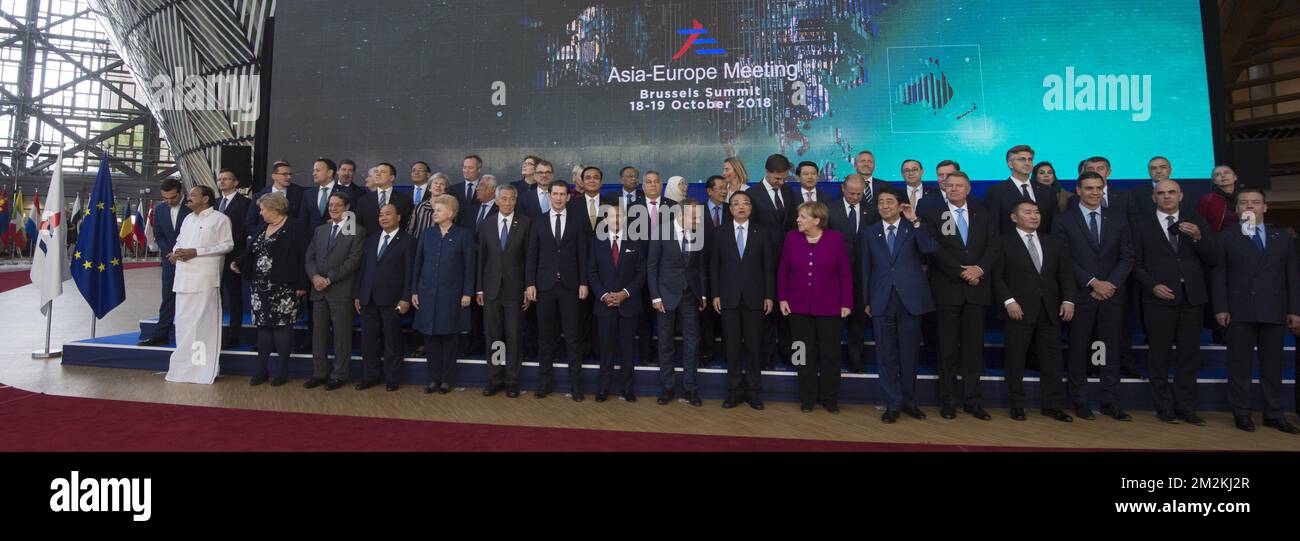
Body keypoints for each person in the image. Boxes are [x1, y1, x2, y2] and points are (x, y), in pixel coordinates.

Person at [1212, 188, 1300, 433]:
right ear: (1237, 209)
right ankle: (1241, 412)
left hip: (1274, 310)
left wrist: (1295, 310)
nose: (1249, 206)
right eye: (1243, 203)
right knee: (1239, 366)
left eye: (1255, 202)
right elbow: (1218, 276)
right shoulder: (1225, 238)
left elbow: (1292, 277)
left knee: (1272, 367)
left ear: (1265, 207)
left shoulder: (1282, 238)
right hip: (1238, 310)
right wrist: (1220, 308)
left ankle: (1274, 413)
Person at [1132, 180, 1218, 425]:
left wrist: (1200, 237)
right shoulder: (1140, 225)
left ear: (1181, 195)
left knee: (1189, 356)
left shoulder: (1197, 222)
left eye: (1171, 192)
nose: (1166, 197)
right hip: (1158, 299)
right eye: (1161, 193)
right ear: (1153, 198)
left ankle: (1187, 407)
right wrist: (1153, 286)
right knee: (1158, 356)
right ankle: (1164, 407)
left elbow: (1214, 258)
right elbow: (1135, 264)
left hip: (1192, 298)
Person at [1052, 171, 1134, 422]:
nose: (1094, 192)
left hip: (1111, 294)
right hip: (1081, 294)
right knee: (1079, 350)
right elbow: (1063, 258)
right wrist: (1093, 282)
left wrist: (1110, 284)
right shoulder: (1063, 220)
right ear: (1078, 190)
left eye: (1099, 187)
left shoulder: (1118, 218)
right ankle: (1081, 400)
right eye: (1089, 188)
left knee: (1109, 348)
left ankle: (1110, 401)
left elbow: (1127, 256)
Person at [923, 171, 1000, 420]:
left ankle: (972, 401)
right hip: (947, 289)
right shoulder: (934, 214)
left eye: (959, 185)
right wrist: (959, 272)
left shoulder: (983, 214)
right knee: (947, 349)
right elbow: (933, 248)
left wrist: (980, 269)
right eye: (950, 185)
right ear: (944, 188)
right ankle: (948, 400)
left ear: (968, 189)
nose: (954, 189)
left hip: (977, 289)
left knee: (973, 350)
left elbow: (994, 246)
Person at [992, 200, 1075, 422]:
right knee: (1015, 360)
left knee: (1052, 361)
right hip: (1018, 310)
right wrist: (1009, 301)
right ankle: (1017, 405)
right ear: (1014, 217)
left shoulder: (1053, 242)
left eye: (1036, 212)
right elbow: (996, 276)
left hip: (1050, 310)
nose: (1034, 216)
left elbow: (1065, 274)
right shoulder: (1002, 242)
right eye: (1027, 212)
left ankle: (1053, 405)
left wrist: (1068, 300)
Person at [861, 190, 937, 422]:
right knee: (886, 355)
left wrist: (914, 220)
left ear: (900, 205)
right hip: (882, 300)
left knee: (909, 355)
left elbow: (930, 249)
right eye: (881, 202)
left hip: (911, 301)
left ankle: (909, 401)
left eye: (889, 202)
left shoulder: (913, 228)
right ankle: (892, 403)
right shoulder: (869, 233)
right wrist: (867, 300)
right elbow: (865, 269)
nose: (884, 206)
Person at [779, 201, 852, 413]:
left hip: (830, 307)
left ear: (817, 220)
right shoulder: (791, 238)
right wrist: (783, 298)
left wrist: (846, 302)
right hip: (798, 307)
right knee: (801, 354)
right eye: (798, 216)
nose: (798, 220)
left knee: (830, 354)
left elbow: (845, 273)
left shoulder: (835, 238)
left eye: (802, 216)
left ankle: (830, 399)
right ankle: (807, 398)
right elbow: (783, 270)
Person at [234, 193, 307, 386]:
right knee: (263, 329)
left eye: (263, 209)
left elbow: (303, 256)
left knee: (282, 329)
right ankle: (261, 370)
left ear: (275, 209)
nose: (260, 212)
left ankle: (281, 372)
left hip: (285, 287)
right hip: (260, 287)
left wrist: (302, 284)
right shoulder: (263, 226)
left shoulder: (295, 226)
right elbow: (254, 250)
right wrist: (239, 262)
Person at [710, 190, 774, 409]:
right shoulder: (720, 232)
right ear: (730, 209)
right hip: (727, 298)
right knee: (733, 348)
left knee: (754, 347)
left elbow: (768, 267)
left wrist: (769, 295)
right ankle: (734, 391)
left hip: (755, 297)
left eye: (745, 203)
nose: (741, 207)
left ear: (751, 208)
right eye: (736, 203)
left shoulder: (762, 232)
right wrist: (715, 294)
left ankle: (754, 392)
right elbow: (714, 267)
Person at [526, 182, 590, 400]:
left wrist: (583, 282)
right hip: (544, 287)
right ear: (550, 196)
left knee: (572, 337)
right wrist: (530, 283)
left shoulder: (578, 221)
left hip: (571, 287)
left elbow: (583, 254)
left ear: (568, 197)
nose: (559, 198)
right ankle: (544, 384)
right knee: (545, 337)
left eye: (563, 194)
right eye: (555, 194)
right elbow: (531, 256)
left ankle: (576, 386)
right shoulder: (538, 221)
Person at [165, 185, 234, 384]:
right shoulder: (188, 219)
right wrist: (176, 251)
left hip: (205, 280)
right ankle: (185, 369)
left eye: (193, 195)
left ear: (205, 199)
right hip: (183, 279)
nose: (188, 197)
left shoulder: (220, 219)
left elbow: (227, 245)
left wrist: (197, 252)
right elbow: (179, 240)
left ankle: (202, 369)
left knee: (203, 325)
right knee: (184, 325)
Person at [411, 194, 476, 394]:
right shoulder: (427, 234)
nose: (435, 214)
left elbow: (469, 267)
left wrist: (467, 293)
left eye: (438, 210)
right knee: (430, 338)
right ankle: (433, 379)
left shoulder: (464, 235)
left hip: (452, 294)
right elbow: (417, 264)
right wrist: (414, 290)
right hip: (427, 293)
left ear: (451, 213)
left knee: (449, 338)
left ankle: (447, 379)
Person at [648, 198, 708, 406]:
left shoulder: (698, 232)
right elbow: (652, 266)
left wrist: (703, 295)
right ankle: (668, 387)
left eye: (698, 216)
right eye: (694, 216)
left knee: (692, 342)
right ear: (679, 214)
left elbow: (700, 267)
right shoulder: (660, 231)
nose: (697, 219)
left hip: (691, 295)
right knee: (665, 343)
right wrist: (655, 296)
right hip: (665, 296)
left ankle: (690, 388)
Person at [302, 192, 365, 391]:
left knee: (341, 336)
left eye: (338, 205)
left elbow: (353, 262)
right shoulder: (320, 230)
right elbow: (309, 258)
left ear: (347, 208)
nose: (334, 208)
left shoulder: (356, 231)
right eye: (331, 205)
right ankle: (319, 373)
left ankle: (339, 375)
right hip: (318, 290)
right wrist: (315, 278)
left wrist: (329, 278)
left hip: (341, 291)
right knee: (318, 335)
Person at [478, 185, 532, 397]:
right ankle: (495, 378)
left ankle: (512, 380)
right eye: (504, 199)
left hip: (516, 290)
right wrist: (479, 288)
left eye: (511, 199)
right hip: (491, 290)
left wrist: (528, 288)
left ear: (515, 201)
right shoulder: (487, 223)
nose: (508, 202)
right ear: (497, 200)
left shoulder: (526, 223)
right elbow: (481, 257)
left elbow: (530, 258)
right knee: (494, 338)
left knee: (514, 336)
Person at [354, 204, 414, 391]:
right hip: (368, 298)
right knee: (369, 341)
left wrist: (405, 298)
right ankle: (370, 376)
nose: (384, 217)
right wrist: (358, 295)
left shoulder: (408, 240)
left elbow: (410, 272)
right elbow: (363, 270)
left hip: (393, 300)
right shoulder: (371, 239)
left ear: (398, 217)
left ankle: (392, 378)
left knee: (392, 341)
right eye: (381, 214)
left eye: (388, 214)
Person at [588, 204, 645, 402]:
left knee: (628, 350)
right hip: (604, 305)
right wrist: (604, 295)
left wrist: (624, 293)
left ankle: (627, 389)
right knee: (606, 349)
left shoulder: (636, 240)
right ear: (605, 219)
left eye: (620, 215)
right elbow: (592, 272)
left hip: (628, 304)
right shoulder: (597, 241)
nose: (617, 218)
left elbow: (641, 273)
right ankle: (603, 388)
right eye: (612, 216)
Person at [750, 154, 795, 368]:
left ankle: (790, 357)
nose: (781, 182)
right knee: (765, 315)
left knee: (788, 315)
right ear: (767, 172)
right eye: (777, 178)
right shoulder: (752, 194)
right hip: (762, 265)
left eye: (784, 178)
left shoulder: (788, 191)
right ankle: (766, 360)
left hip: (788, 263)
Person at [139, 178, 191, 346]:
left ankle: (189, 335)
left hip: (191, 259)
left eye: (173, 198)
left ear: (180, 192)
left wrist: (181, 254)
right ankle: (161, 333)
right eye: (165, 198)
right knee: (167, 297)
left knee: (190, 299)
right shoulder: (160, 210)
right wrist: (170, 254)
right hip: (170, 261)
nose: (169, 201)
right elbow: (159, 235)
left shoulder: (192, 208)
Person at [828, 174, 870, 372]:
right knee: (834, 322)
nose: (855, 197)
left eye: (859, 194)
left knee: (858, 322)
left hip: (863, 275)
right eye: (852, 193)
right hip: (835, 276)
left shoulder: (872, 210)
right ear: (843, 189)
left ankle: (856, 360)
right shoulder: (829, 209)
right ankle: (832, 361)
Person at [214, 169, 250, 348]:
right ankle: (214, 332)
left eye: (227, 179)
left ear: (235, 183)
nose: (222, 182)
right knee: (215, 295)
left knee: (234, 297)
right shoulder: (215, 202)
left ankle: (234, 335)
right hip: (214, 257)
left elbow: (245, 230)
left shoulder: (245, 203)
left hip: (234, 256)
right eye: (220, 179)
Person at [985, 145, 1056, 235]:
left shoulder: (1046, 191)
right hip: (1009, 246)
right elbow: (992, 226)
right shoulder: (997, 191)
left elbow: (1054, 223)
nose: (1027, 163)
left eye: (1030, 159)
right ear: (1010, 164)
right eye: (1022, 159)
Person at [245, 160, 304, 233]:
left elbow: (302, 220)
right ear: (274, 176)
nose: (288, 177)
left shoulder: (299, 193)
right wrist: (262, 237)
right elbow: (250, 223)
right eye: (284, 174)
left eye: (290, 174)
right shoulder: (259, 195)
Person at [356, 162, 414, 234]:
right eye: (376, 172)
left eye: (382, 172)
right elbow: (358, 226)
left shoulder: (404, 199)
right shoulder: (363, 200)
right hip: (369, 243)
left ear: (391, 178)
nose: (377, 174)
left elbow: (408, 225)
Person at [300, 158, 342, 236]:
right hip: (312, 241)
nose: (314, 173)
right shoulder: (308, 194)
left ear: (330, 173)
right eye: (314, 171)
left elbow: (350, 218)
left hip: (336, 239)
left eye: (317, 170)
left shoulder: (345, 192)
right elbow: (303, 221)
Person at [1196, 165, 1240, 233]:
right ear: (1214, 181)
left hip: (1246, 238)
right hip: (1219, 240)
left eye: (1226, 172)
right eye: (1217, 174)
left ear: (1235, 177)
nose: (1223, 175)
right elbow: (1200, 224)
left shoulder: (1245, 197)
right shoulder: (1207, 200)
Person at [408, 172, 451, 238]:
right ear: (429, 188)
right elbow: (410, 229)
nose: (438, 186)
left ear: (445, 189)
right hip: (419, 244)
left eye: (442, 184)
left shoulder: (449, 208)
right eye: (435, 183)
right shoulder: (420, 206)